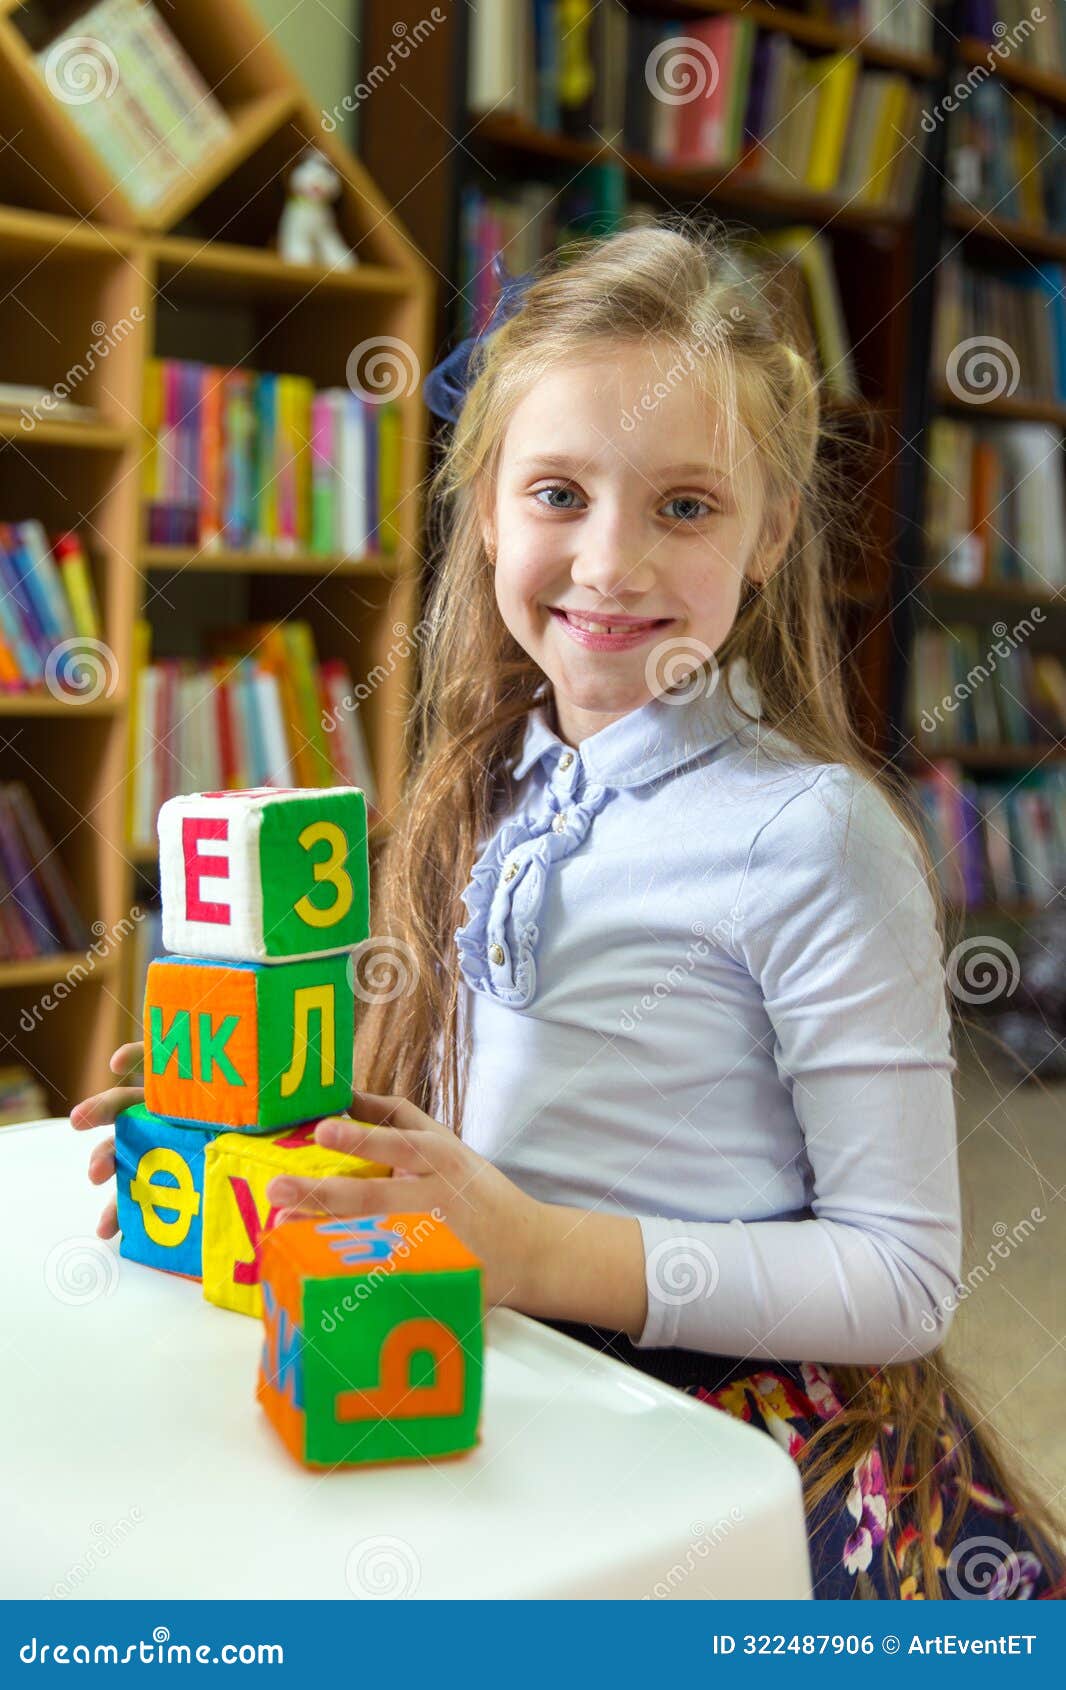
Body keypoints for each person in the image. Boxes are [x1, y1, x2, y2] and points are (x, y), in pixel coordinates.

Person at [72, 222, 1064, 1599]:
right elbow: (468, 1142)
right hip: (501, 1358)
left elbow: (900, 1278)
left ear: (772, 531)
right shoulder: (493, 773)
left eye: (684, 506)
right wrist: (235, 1149)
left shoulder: (813, 837)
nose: (608, 562)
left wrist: (536, 1250)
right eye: (556, 493)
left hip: (723, 1445)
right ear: (484, 510)